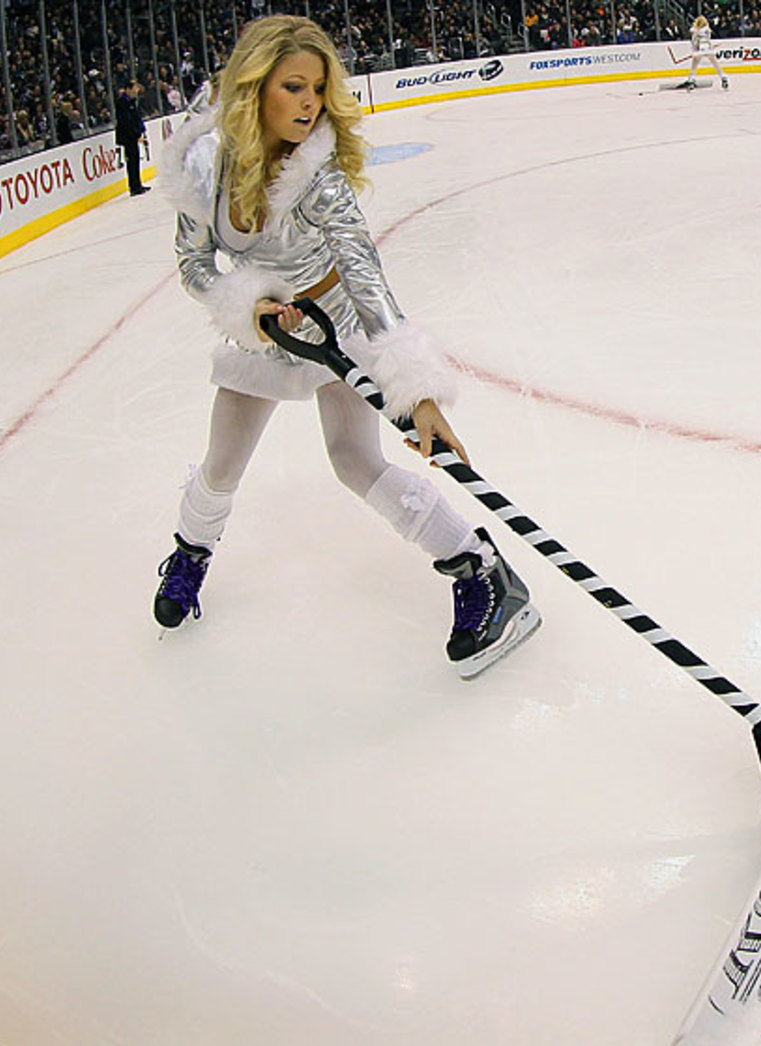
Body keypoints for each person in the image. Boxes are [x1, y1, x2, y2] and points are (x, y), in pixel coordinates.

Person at [153, 15, 541, 679]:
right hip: (262, 327)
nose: (310, 104)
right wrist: (249, 307)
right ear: (254, 91)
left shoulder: (320, 180)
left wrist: (414, 388)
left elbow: (365, 273)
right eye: (294, 87)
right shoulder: (202, 165)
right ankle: (189, 556)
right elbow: (193, 263)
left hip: (334, 320)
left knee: (353, 460)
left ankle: (482, 569)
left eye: (318, 89)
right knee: (222, 465)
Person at [115, 79, 149, 195]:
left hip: (133, 135)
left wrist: (141, 129)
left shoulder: (132, 101)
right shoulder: (122, 103)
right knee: (131, 161)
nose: (137, 90)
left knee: (135, 160)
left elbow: (136, 117)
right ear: (128, 89)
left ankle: (138, 184)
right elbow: (126, 122)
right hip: (127, 137)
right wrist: (135, 134)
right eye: (134, 88)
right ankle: (134, 187)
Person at [687, 15, 728, 90]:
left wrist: (693, 48)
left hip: (699, 49)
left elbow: (693, 41)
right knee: (715, 64)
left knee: (694, 65)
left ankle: (691, 79)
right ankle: (723, 76)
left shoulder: (695, 30)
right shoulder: (708, 30)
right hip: (708, 48)